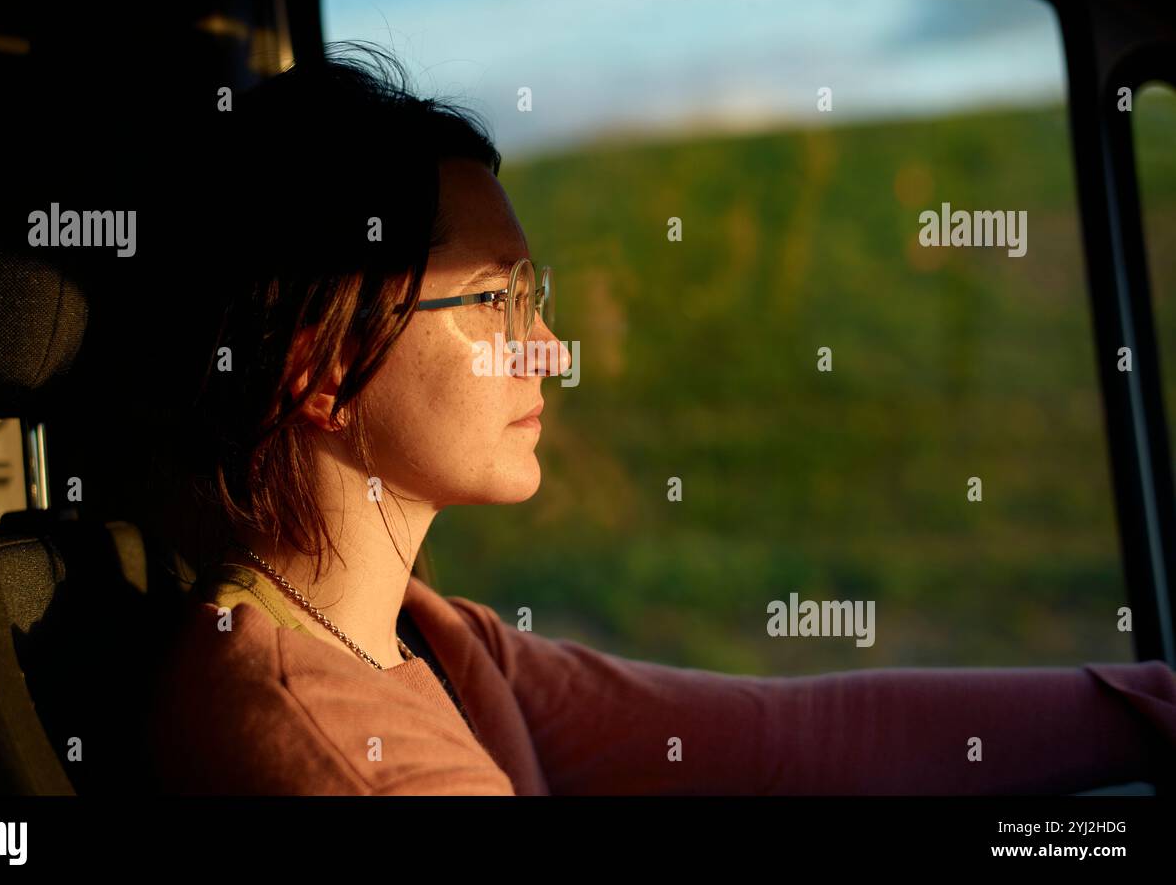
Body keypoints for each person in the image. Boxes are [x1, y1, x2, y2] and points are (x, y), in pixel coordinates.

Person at [147, 41, 1176, 795]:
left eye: (532, 294)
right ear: (319, 368)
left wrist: (1145, 705)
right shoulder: (332, 745)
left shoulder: (423, 637)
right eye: (495, 300)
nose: (549, 346)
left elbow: (793, 738)